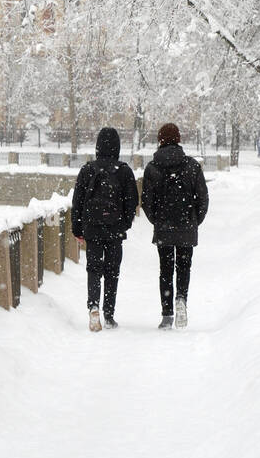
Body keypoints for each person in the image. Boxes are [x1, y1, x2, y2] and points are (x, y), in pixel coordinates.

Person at [70, 126, 140, 331]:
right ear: (117, 146)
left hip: (92, 228)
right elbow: (132, 202)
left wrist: (77, 229)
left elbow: (78, 202)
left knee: (93, 269)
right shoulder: (124, 171)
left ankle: (93, 307)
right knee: (112, 271)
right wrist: (124, 224)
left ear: (98, 146)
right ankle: (109, 313)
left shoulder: (87, 170)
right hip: (115, 229)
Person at [141, 122, 209, 330]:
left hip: (164, 227)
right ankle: (181, 299)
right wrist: (194, 220)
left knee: (165, 269)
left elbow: (146, 201)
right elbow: (203, 198)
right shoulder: (192, 166)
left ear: (160, 140)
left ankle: (167, 313)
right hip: (186, 226)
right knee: (184, 267)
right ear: (178, 139)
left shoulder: (152, 168)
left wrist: (157, 220)